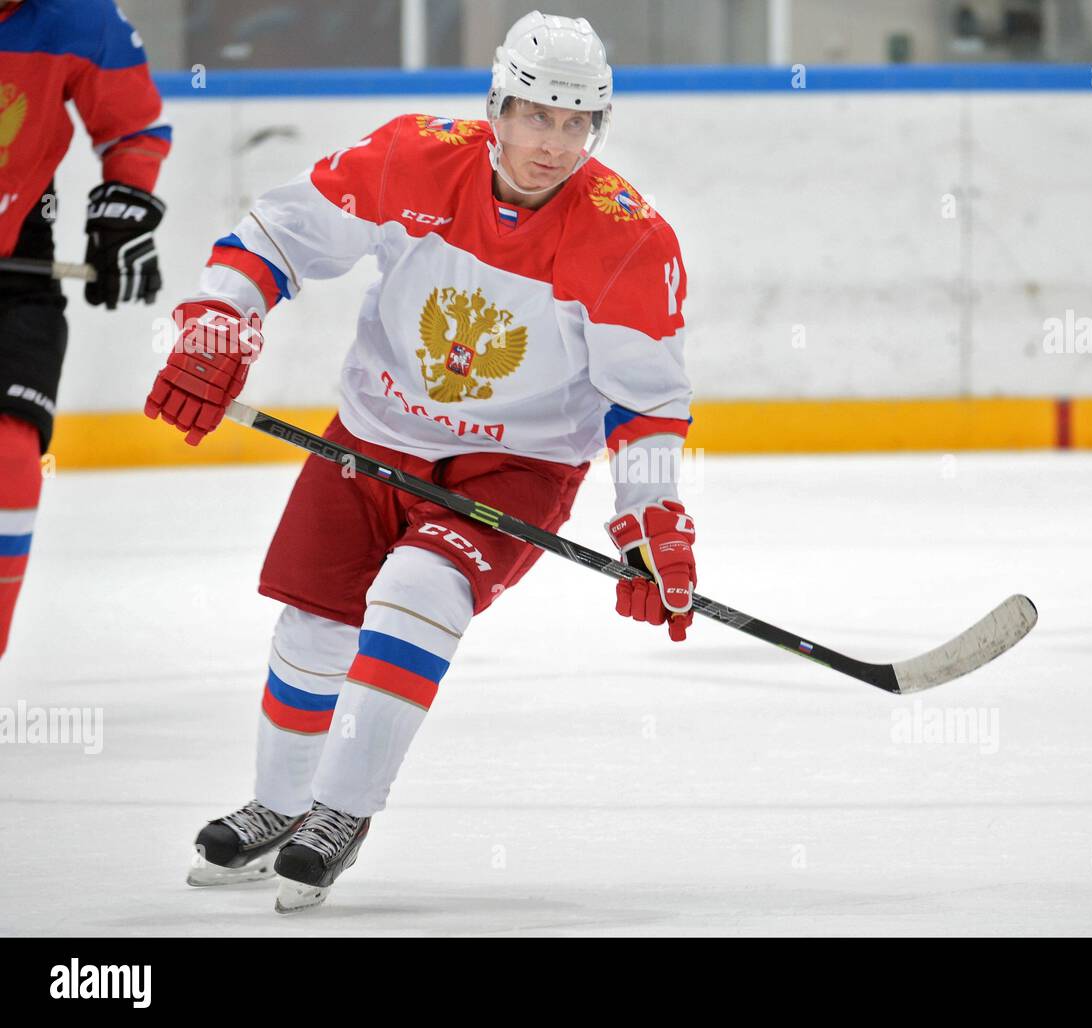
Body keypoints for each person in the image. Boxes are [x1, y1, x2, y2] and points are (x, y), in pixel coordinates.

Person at [146, 11, 697, 913]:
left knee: (419, 593)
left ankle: (342, 812)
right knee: (315, 625)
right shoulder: (414, 156)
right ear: (496, 106)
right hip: (372, 431)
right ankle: (279, 806)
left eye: (575, 123)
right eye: (534, 115)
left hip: (515, 466)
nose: (553, 143)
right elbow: (275, 237)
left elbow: (646, 402)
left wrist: (653, 518)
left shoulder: (627, 235)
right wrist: (219, 320)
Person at [0, 0, 169, 658]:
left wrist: (121, 217)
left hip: (14, 263)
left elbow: (132, 124)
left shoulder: (75, 14)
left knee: (13, 456)